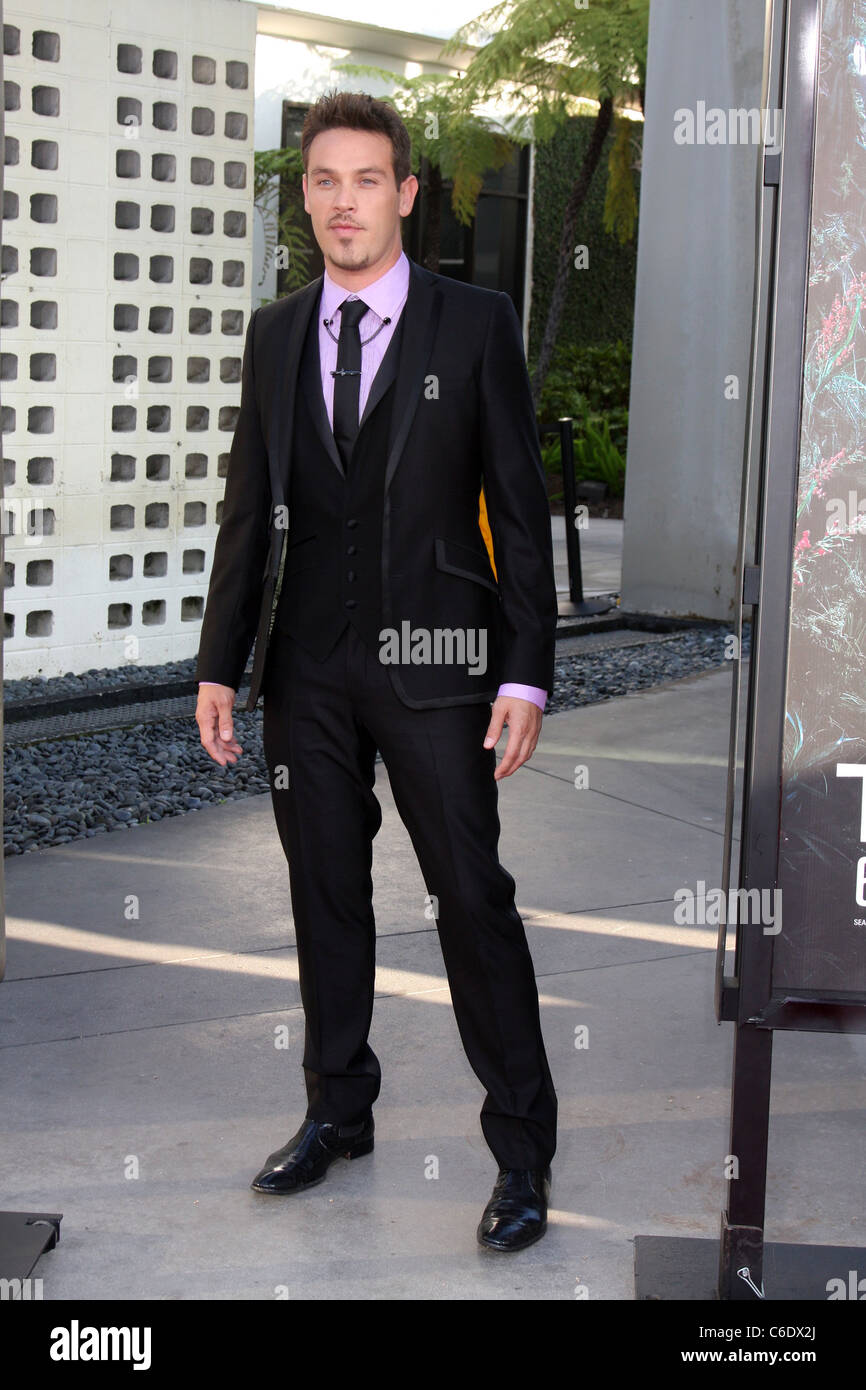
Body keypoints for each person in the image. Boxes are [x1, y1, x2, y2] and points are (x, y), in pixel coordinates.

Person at [195, 90, 558, 1252]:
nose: (342, 202)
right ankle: (336, 1109)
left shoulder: (473, 322)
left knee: (472, 899)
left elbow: (518, 499)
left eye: (365, 180)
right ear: (304, 198)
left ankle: (519, 1151)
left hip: (440, 663)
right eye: (321, 182)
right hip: (308, 667)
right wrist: (220, 663)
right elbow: (249, 506)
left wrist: (524, 670)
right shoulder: (275, 332)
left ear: (404, 194)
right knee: (323, 895)